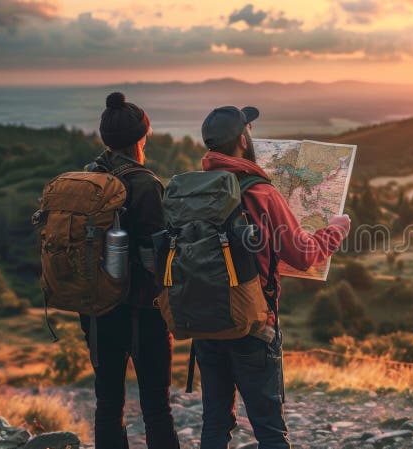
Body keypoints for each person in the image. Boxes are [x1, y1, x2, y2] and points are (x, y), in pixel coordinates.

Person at [195, 105, 351, 449]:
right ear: (242, 139)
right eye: (248, 128)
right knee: (269, 430)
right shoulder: (261, 193)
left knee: (215, 424)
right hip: (253, 323)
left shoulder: (195, 189)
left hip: (206, 320)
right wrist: (336, 229)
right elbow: (305, 255)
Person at [80, 92, 180, 449]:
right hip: (142, 313)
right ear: (141, 138)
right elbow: (159, 254)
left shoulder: (89, 177)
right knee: (156, 408)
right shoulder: (145, 184)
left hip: (95, 310)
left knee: (108, 404)